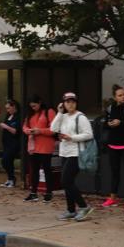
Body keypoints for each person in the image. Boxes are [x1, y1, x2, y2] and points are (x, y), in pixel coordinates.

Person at [51, 92, 94, 221]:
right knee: (68, 182)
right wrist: (59, 113)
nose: (70, 104)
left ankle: (83, 206)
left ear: (76, 103)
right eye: (67, 102)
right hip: (64, 152)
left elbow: (89, 134)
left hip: (76, 153)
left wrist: (72, 138)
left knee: (66, 181)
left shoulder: (80, 117)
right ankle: (71, 210)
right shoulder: (63, 116)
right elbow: (53, 128)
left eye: (73, 102)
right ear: (63, 104)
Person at [23, 96, 57, 202]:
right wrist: (28, 131)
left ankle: (49, 192)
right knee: (34, 170)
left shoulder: (49, 112)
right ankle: (33, 192)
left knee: (47, 169)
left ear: (40, 103)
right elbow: (24, 126)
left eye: (34, 106)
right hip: (33, 145)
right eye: (31, 106)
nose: (33, 108)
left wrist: (40, 131)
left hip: (45, 145)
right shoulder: (30, 114)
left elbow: (53, 129)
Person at [0, 99, 21, 188]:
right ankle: (10, 179)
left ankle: (12, 178)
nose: (7, 110)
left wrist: (6, 127)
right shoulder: (8, 115)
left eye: (8, 108)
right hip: (6, 142)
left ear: (14, 106)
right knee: (8, 161)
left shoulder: (19, 116)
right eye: (6, 108)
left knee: (5, 160)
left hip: (14, 143)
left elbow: (16, 131)